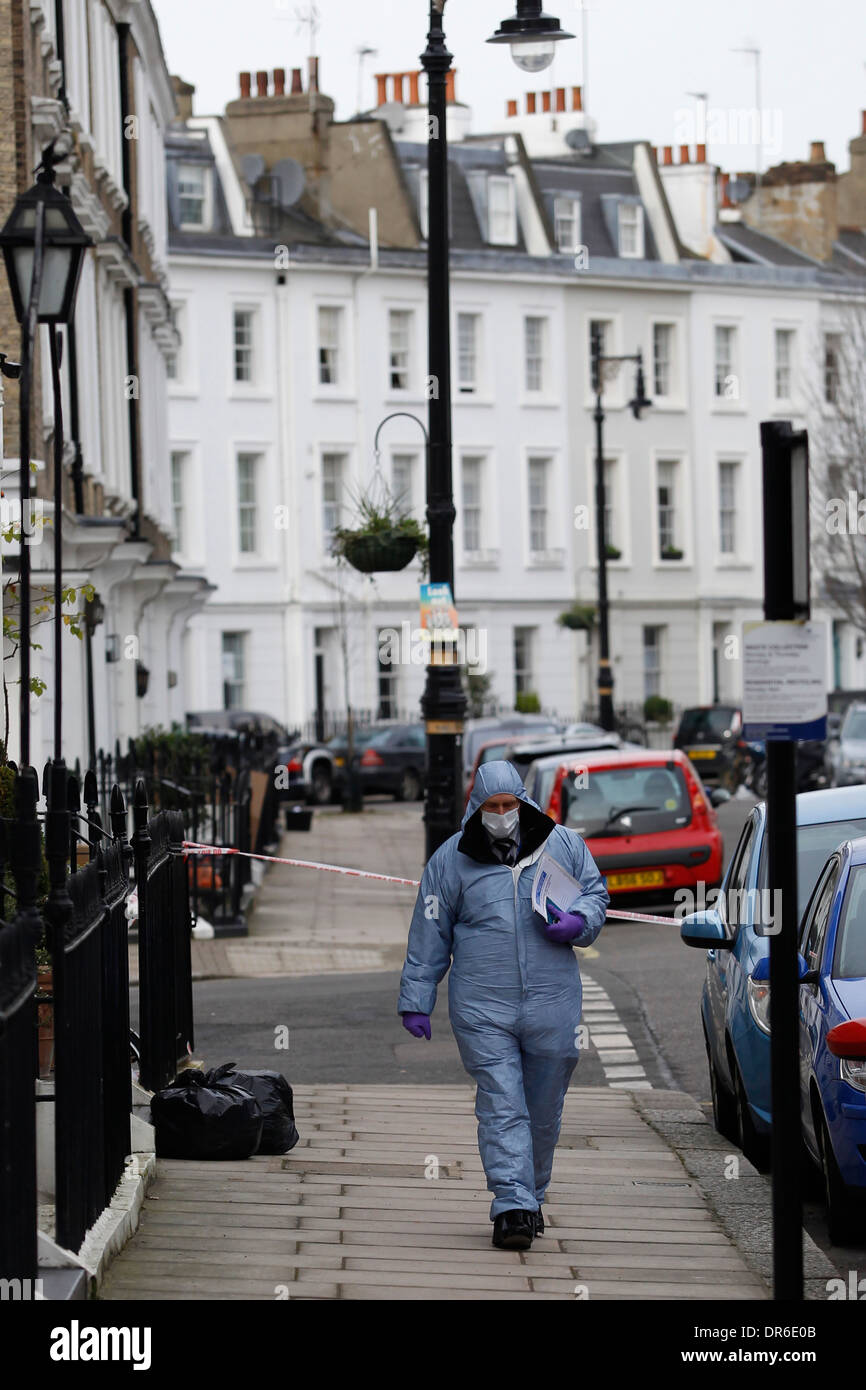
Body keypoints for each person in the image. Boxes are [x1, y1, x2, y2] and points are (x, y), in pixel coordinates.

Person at [397, 759, 609, 1250]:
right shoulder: (451, 860)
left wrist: (578, 922)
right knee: (502, 1101)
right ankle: (511, 1205)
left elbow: (595, 896)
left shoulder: (563, 845)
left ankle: (530, 1195)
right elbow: (430, 932)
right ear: (477, 807)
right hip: (482, 1005)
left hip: (553, 1003)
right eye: (491, 807)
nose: (501, 814)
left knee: (543, 1105)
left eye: (508, 805)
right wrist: (416, 999)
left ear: (523, 802)